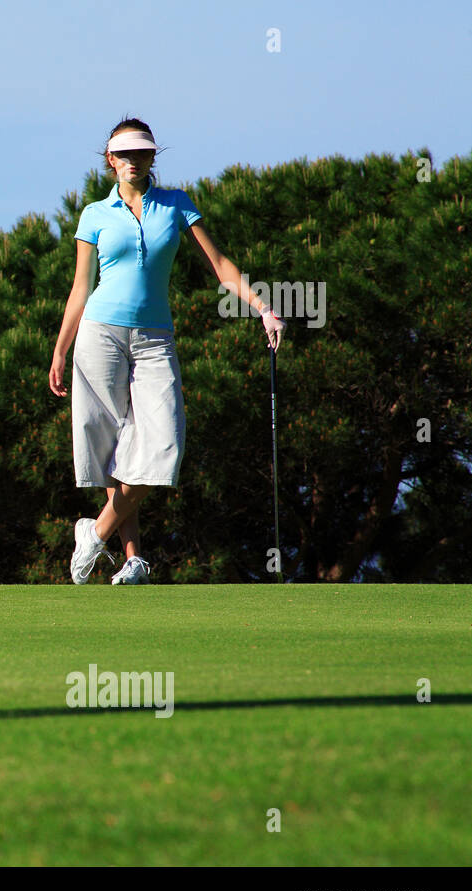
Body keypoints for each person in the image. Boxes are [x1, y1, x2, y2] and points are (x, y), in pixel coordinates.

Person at [48, 118, 286, 585]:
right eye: (125, 154)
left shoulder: (176, 205)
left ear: (153, 157)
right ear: (111, 160)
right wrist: (60, 350)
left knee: (163, 444)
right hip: (100, 335)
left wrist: (263, 308)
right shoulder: (94, 214)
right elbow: (81, 289)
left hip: (155, 338)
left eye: (143, 153)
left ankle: (93, 533)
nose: (134, 161)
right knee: (115, 450)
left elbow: (219, 265)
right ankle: (134, 559)